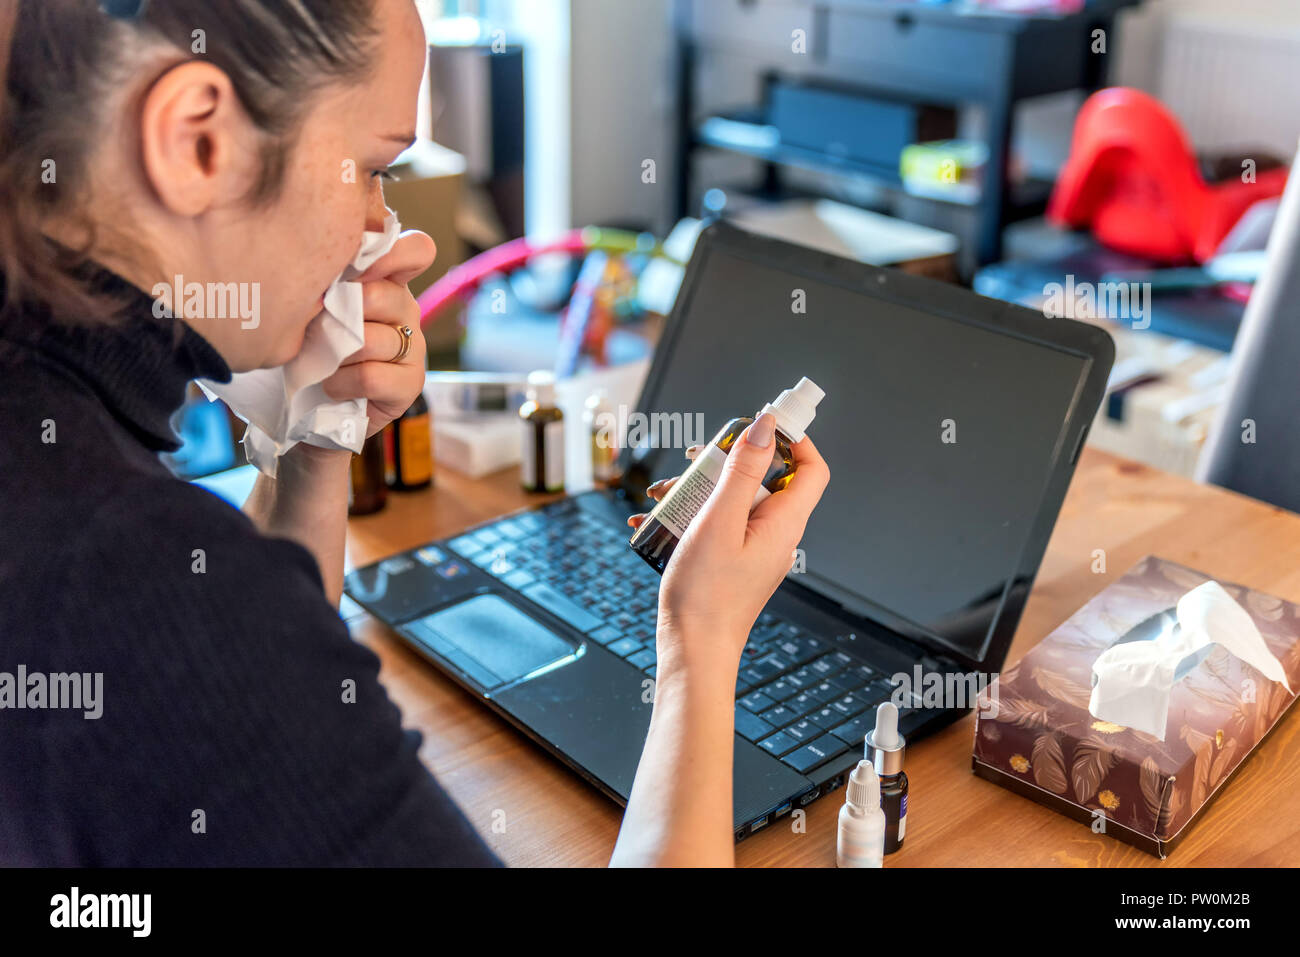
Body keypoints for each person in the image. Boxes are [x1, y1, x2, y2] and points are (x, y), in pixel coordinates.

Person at [0, 0, 828, 867]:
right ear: (196, 140)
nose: (384, 231)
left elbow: (265, 721)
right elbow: (231, 663)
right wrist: (700, 642)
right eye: (369, 169)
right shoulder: (135, 586)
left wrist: (317, 441)